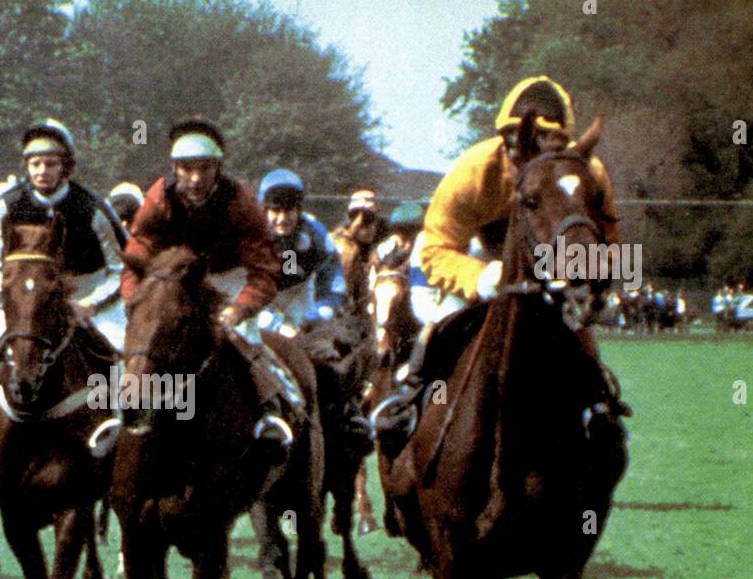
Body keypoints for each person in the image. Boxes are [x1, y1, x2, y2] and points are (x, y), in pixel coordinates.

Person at [379, 76, 630, 440]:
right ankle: (411, 396)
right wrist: (483, 278)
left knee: (576, 329)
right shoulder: (473, 171)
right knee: (443, 323)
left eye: (537, 143)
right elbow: (436, 248)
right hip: (470, 258)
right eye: (513, 141)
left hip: (542, 259)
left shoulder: (585, 175)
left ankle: (598, 405)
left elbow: (608, 243)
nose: (520, 154)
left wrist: (589, 280)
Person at [0, 119, 128, 489]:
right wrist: (17, 305)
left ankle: (127, 443)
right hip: (28, 299)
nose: (42, 171)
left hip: (88, 295)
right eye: (35, 163)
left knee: (125, 355)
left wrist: (90, 306)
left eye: (51, 163)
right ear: (26, 167)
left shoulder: (91, 207)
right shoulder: (8, 205)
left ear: (67, 166)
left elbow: (122, 269)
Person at [120, 116, 302, 458]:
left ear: (218, 168)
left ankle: (270, 413)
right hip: (176, 282)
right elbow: (137, 253)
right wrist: (135, 301)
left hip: (228, 278)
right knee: (138, 340)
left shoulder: (241, 201)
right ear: (175, 169)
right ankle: (115, 416)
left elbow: (264, 270)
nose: (195, 179)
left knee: (242, 337)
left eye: (204, 169)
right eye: (186, 169)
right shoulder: (159, 198)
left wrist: (240, 308)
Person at [255, 168, 343, 330]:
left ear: (299, 210)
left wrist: (320, 313)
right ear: (264, 210)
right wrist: (276, 325)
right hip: (257, 302)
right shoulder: (249, 235)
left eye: (289, 210)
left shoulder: (316, 233)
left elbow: (334, 283)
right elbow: (237, 288)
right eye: (275, 210)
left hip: (299, 296)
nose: (282, 219)